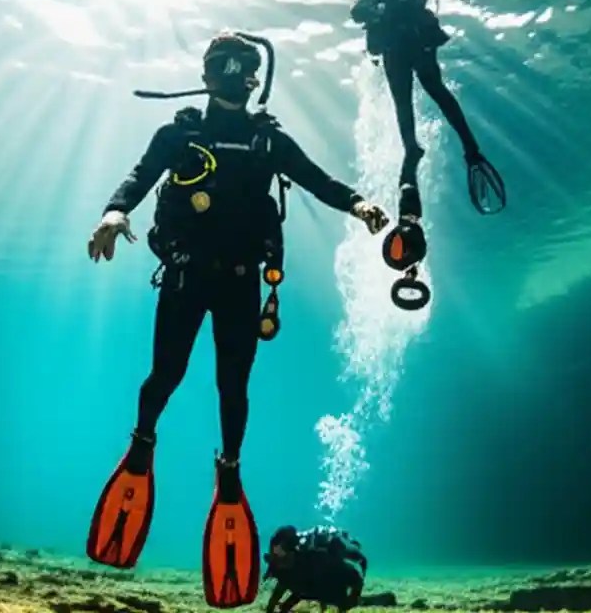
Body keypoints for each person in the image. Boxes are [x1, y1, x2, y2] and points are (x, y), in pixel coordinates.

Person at [84, 30, 390, 609]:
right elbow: (138, 177)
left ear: (254, 78)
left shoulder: (268, 141)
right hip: (185, 274)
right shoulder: (178, 135)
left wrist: (358, 203)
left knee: (233, 386)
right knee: (166, 374)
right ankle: (143, 443)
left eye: (241, 66)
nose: (231, 75)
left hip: (240, 282)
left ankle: (229, 468)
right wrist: (113, 213)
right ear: (205, 75)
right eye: (221, 65)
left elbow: (317, 179)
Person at [350, 0, 506, 309]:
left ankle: (468, 147)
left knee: (437, 92)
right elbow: (357, 12)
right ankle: (413, 150)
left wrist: (383, 10)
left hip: (417, 46)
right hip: (396, 52)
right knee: (404, 107)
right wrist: (376, 9)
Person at [264, 525, 371, 613]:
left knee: (339, 599)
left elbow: (356, 572)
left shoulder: (317, 556)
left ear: (294, 551)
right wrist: (273, 608)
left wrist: (354, 597)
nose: (279, 563)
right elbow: (289, 586)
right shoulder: (282, 566)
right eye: (275, 556)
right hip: (314, 584)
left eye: (282, 556)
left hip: (333, 580)